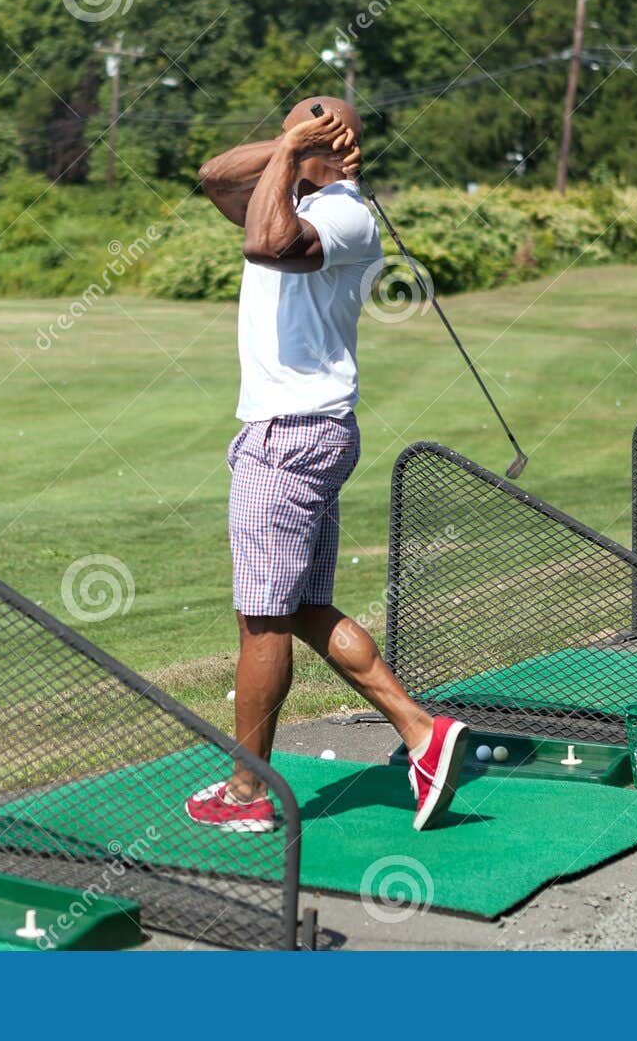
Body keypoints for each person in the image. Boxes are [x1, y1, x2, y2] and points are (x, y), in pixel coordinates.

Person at [183, 95, 467, 835]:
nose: (284, 146)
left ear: (337, 149)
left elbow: (266, 243)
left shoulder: (345, 215)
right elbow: (215, 177)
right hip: (304, 431)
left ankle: (247, 791)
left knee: (263, 619)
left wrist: (298, 154)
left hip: (290, 435)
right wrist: (289, 143)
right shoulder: (289, 180)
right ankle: (421, 733)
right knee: (304, 608)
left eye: (303, 135)